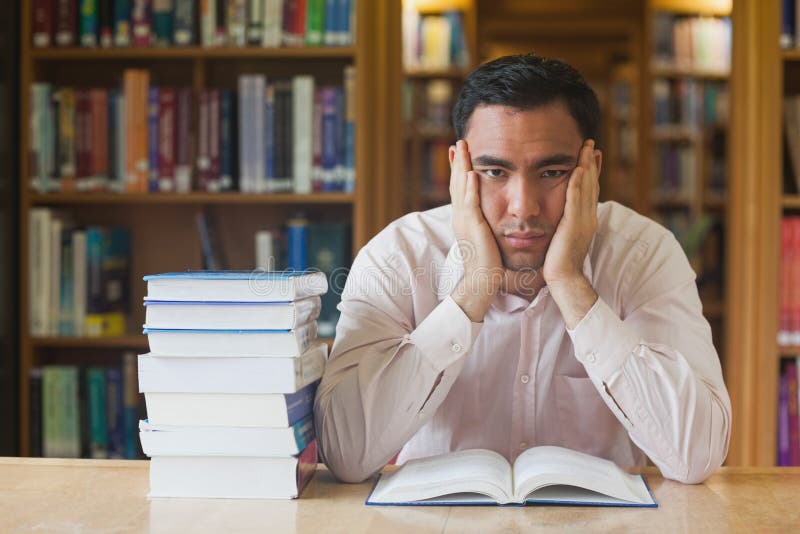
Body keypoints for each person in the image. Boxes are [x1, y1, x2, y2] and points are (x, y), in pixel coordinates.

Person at [314, 54, 731, 485]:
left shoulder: (645, 254)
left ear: (591, 170)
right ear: (459, 168)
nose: (523, 208)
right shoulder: (399, 255)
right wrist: (471, 292)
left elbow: (696, 456)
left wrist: (572, 285)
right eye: (495, 171)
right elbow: (345, 454)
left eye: (551, 172)